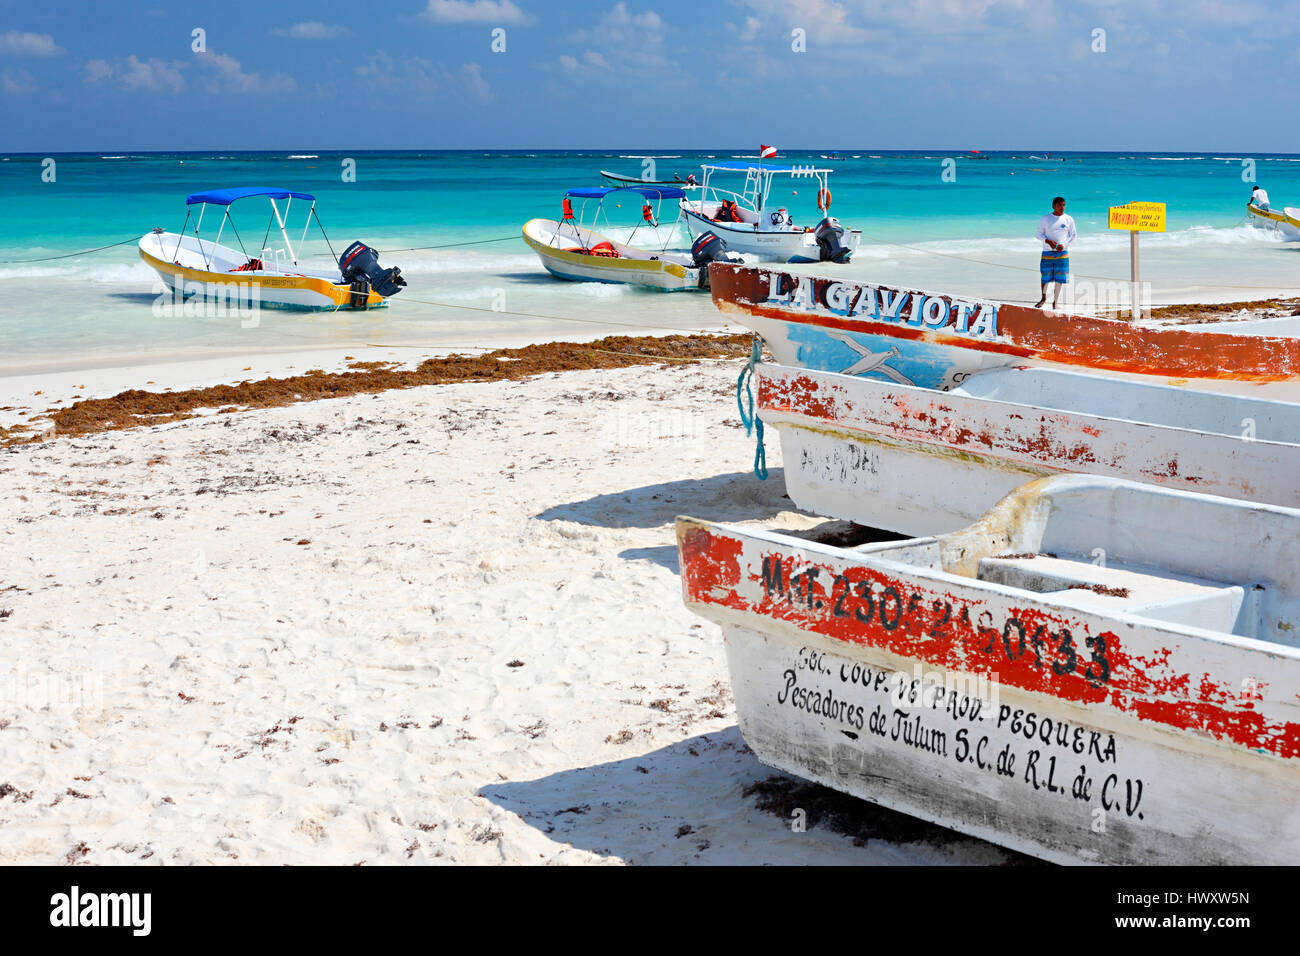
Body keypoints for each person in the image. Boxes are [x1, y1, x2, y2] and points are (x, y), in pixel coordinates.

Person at [1035, 196, 1076, 309]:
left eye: (1063, 205)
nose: (1062, 207)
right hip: (1047, 252)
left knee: (1060, 278)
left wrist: (1064, 245)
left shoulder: (1069, 219)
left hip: (1062, 253)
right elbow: (1038, 234)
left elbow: (1073, 235)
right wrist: (1048, 241)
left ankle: (1055, 302)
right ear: (1053, 206)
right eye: (1059, 205)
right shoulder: (1045, 218)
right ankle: (1043, 299)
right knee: (1045, 277)